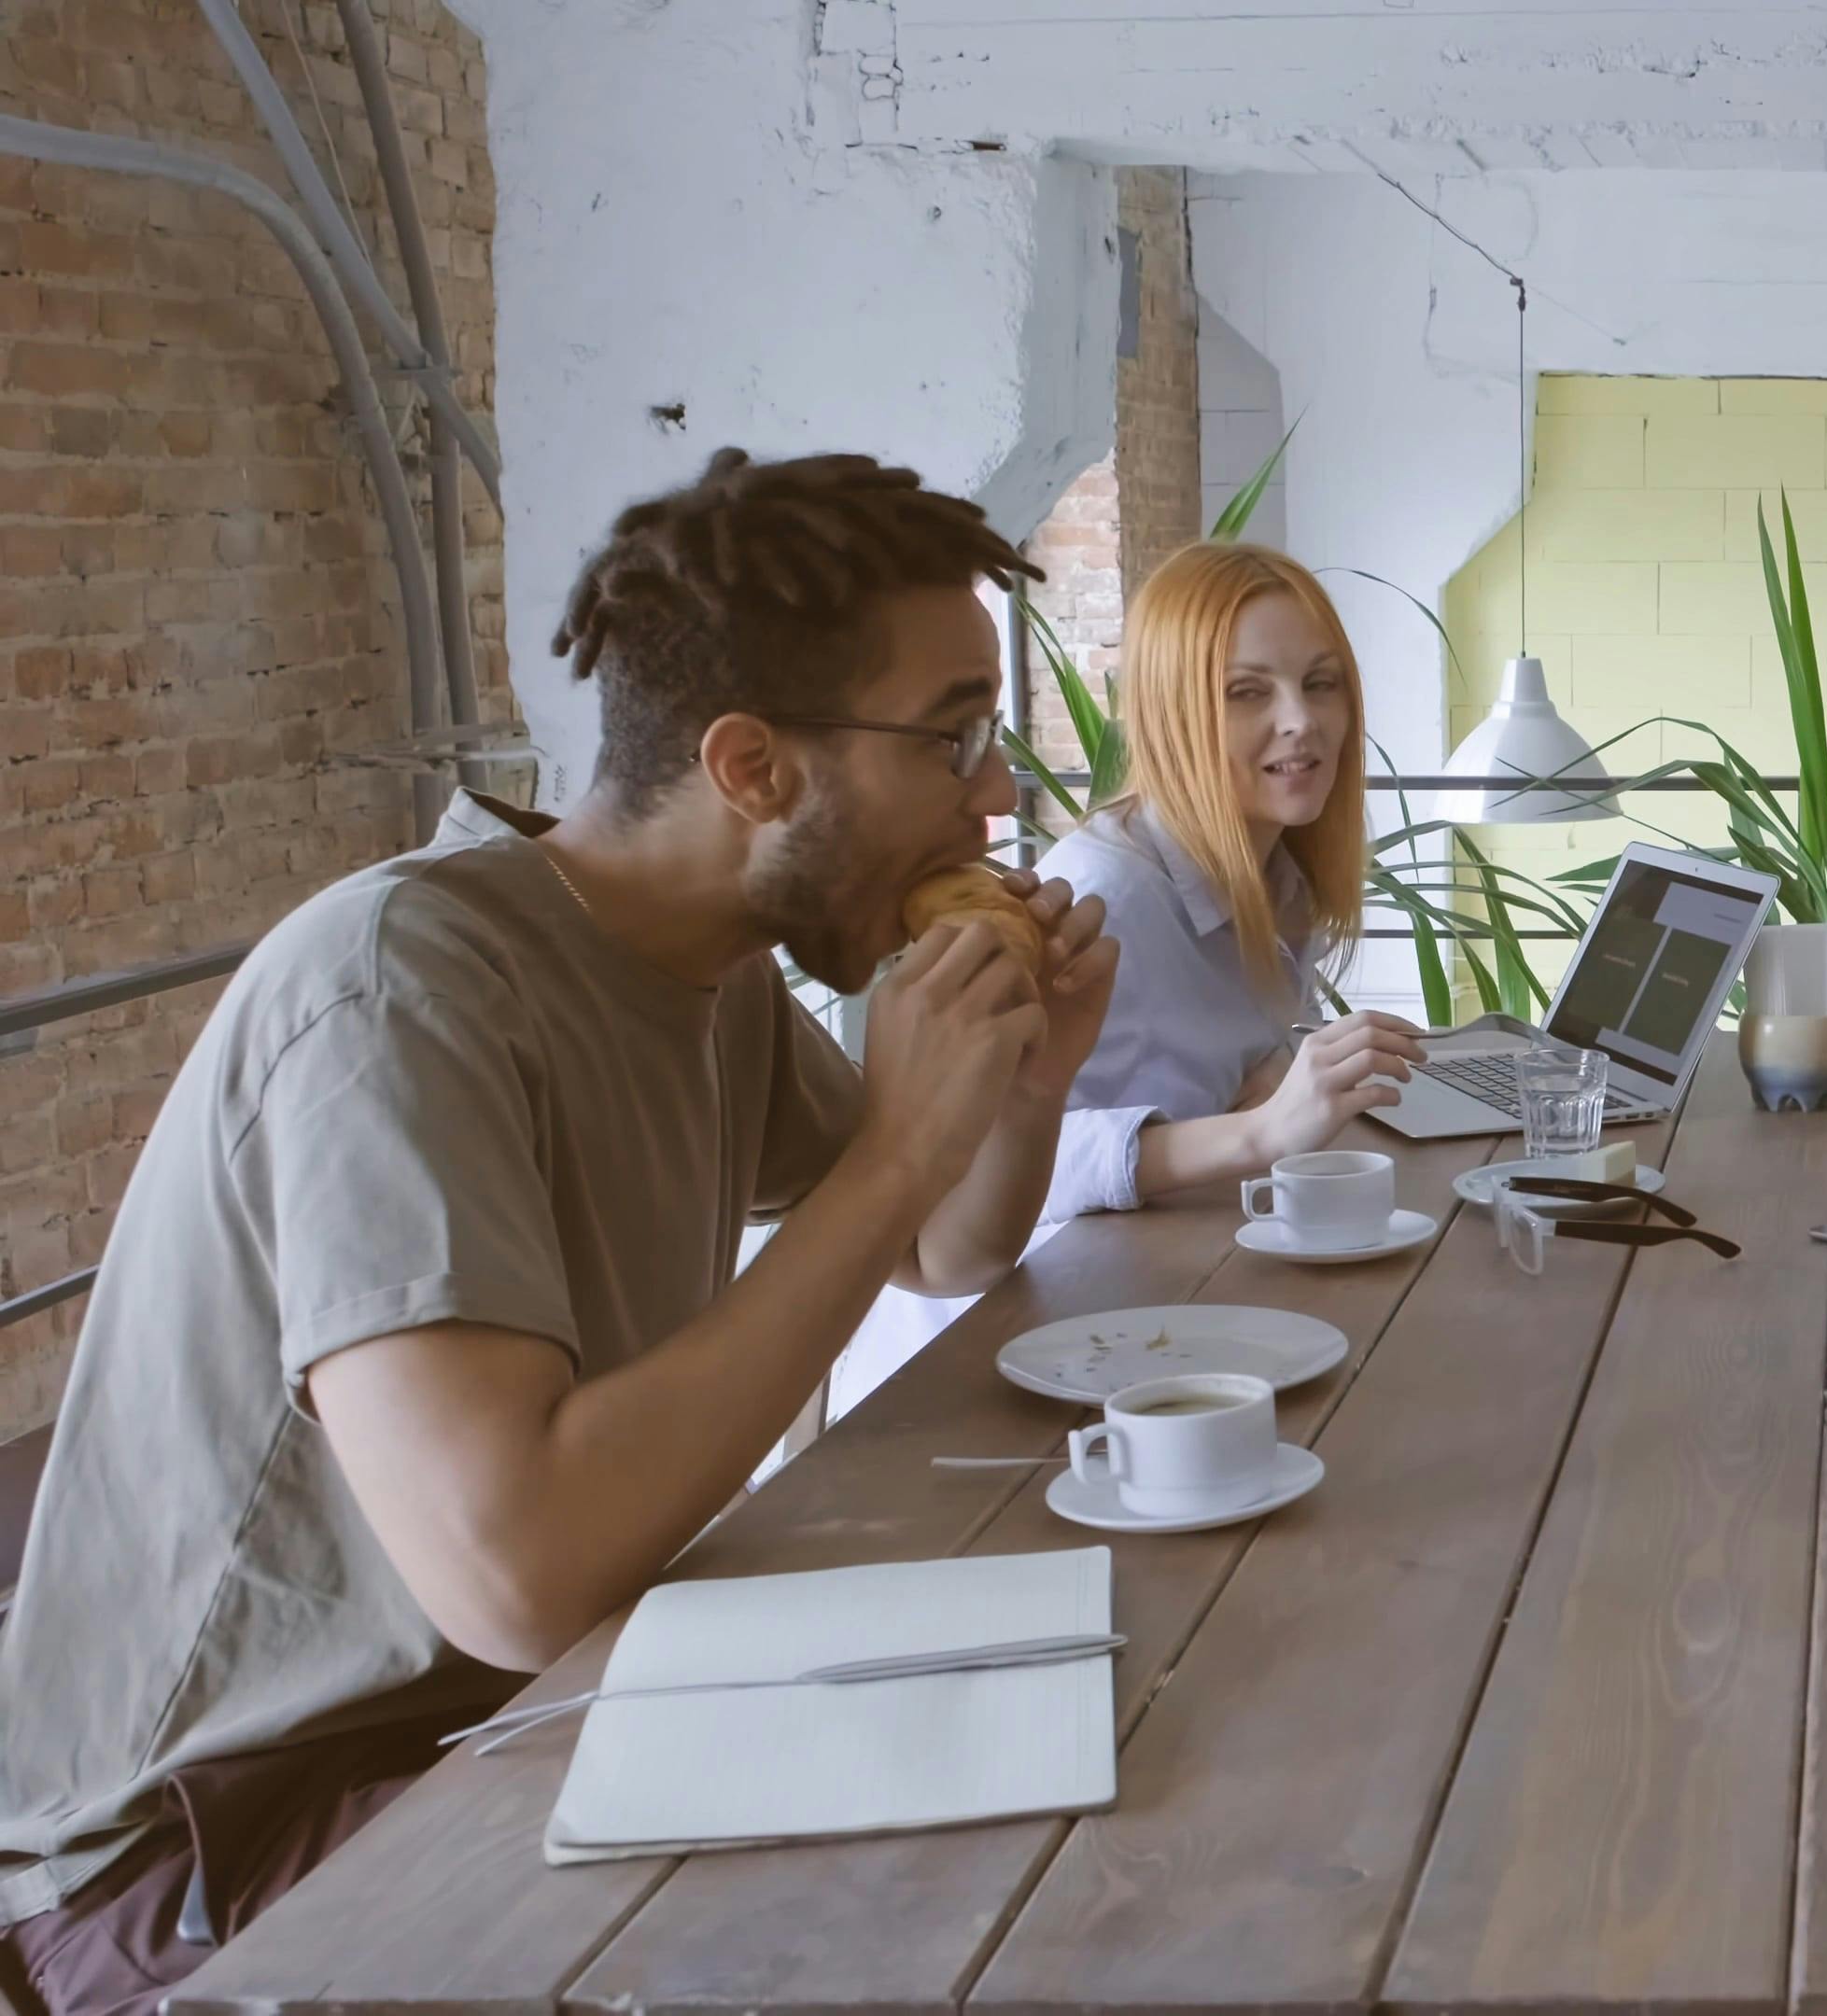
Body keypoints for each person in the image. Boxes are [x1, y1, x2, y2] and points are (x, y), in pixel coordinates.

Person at [0, 449, 1120, 2016]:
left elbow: (942, 1253)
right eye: (955, 738)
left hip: (516, 1724)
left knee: (1068, 1796)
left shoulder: (706, 972)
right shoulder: (403, 992)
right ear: (751, 769)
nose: (1000, 796)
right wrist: (893, 1157)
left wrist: (1022, 1088)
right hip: (210, 1855)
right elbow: (514, 1571)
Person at [1032, 542, 1425, 1223]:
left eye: (1321, 683)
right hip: (1031, 1301)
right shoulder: (1100, 897)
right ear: (1171, 713)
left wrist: (1279, 1062)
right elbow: (999, 1167)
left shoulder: (1282, 883)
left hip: (1176, 1257)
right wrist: (1261, 1130)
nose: (1302, 721)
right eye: (1247, 692)